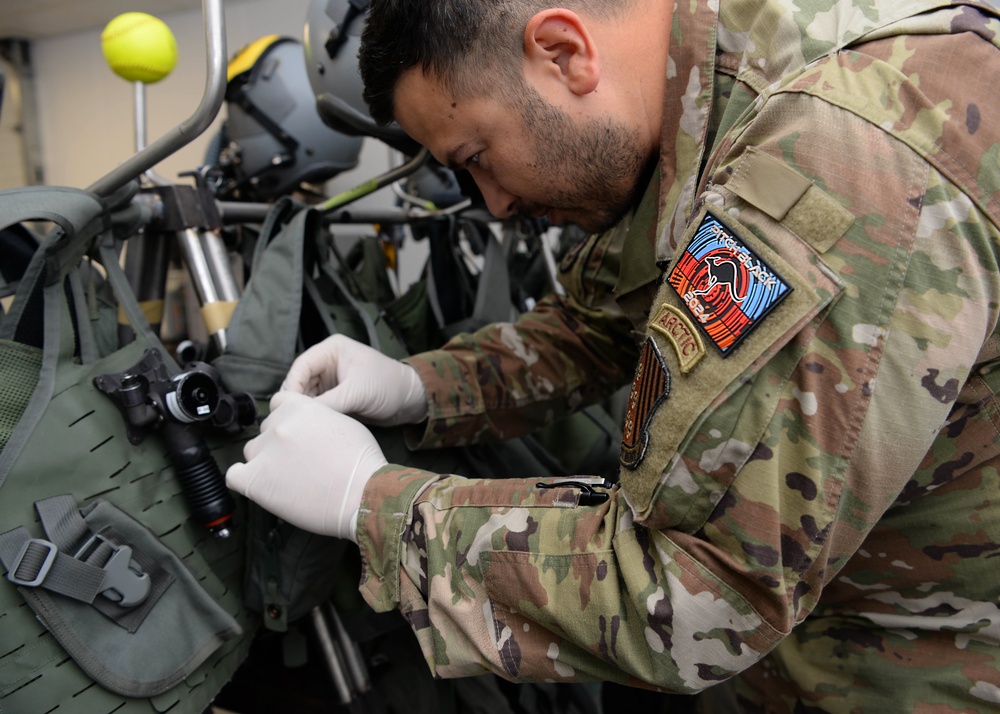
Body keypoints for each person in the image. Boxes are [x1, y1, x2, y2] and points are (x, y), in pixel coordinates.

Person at [225, 0, 1000, 710]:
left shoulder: (838, 154)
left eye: (476, 157)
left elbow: (696, 592)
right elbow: (597, 323)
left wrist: (375, 503)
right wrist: (421, 387)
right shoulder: (697, 104)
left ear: (563, 53)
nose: (492, 204)